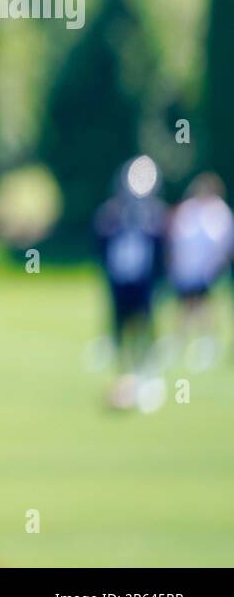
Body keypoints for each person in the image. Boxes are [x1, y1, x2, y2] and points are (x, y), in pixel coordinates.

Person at [93, 155, 167, 409]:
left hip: (142, 282)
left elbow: (160, 248)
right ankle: (125, 380)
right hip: (120, 282)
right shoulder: (112, 215)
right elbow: (102, 243)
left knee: (144, 330)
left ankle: (147, 379)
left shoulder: (152, 216)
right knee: (120, 331)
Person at [165, 172, 233, 371]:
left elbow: (222, 242)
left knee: (203, 308)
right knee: (184, 308)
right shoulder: (188, 209)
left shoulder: (219, 212)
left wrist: (215, 266)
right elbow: (177, 237)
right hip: (185, 269)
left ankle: (207, 343)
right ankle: (180, 343)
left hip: (207, 270)